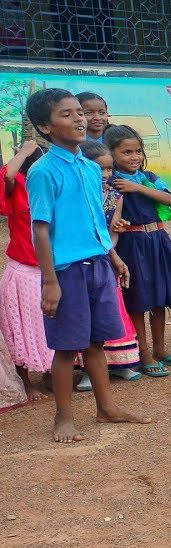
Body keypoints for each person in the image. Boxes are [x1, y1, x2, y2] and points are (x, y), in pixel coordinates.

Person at [24, 88, 152, 443]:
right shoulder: (44, 172)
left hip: (98, 264)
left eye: (79, 112)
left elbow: (97, 217)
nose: (79, 118)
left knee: (97, 342)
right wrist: (50, 281)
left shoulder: (88, 166)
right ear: (45, 128)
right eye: (67, 114)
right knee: (67, 347)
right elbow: (41, 229)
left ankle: (106, 407)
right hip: (66, 271)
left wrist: (112, 255)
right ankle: (63, 417)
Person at [105, 124, 171, 377]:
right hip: (132, 245)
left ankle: (161, 349)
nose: (134, 157)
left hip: (158, 240)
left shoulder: (149, 178)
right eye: (126, 152)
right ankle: (143, 353)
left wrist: (138, 188)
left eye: (138, 151)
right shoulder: (111, 183)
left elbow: (170, 199)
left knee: (160, 296)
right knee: (138, 299)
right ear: (112, 154)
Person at [79, 140, 142, 389]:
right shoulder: (79, 197)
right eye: (100, 169)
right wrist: (113, 256)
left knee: (111, 310)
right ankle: (88, 371)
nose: (105, 175)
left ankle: (121, 362)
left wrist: (115, 238)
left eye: (108, 169)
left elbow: (110, 233)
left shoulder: (115, 196)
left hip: (105, 258)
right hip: (86, 260)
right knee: (87, 314)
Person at [0, 138, 54, 399]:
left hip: (51, 267)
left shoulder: (49, 185)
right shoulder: (16, 186)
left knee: (50, 324)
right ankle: (26, 382)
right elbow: (8, 173)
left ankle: (51, 374)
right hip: (23, 270)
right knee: (20, 327)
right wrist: (24, 151)